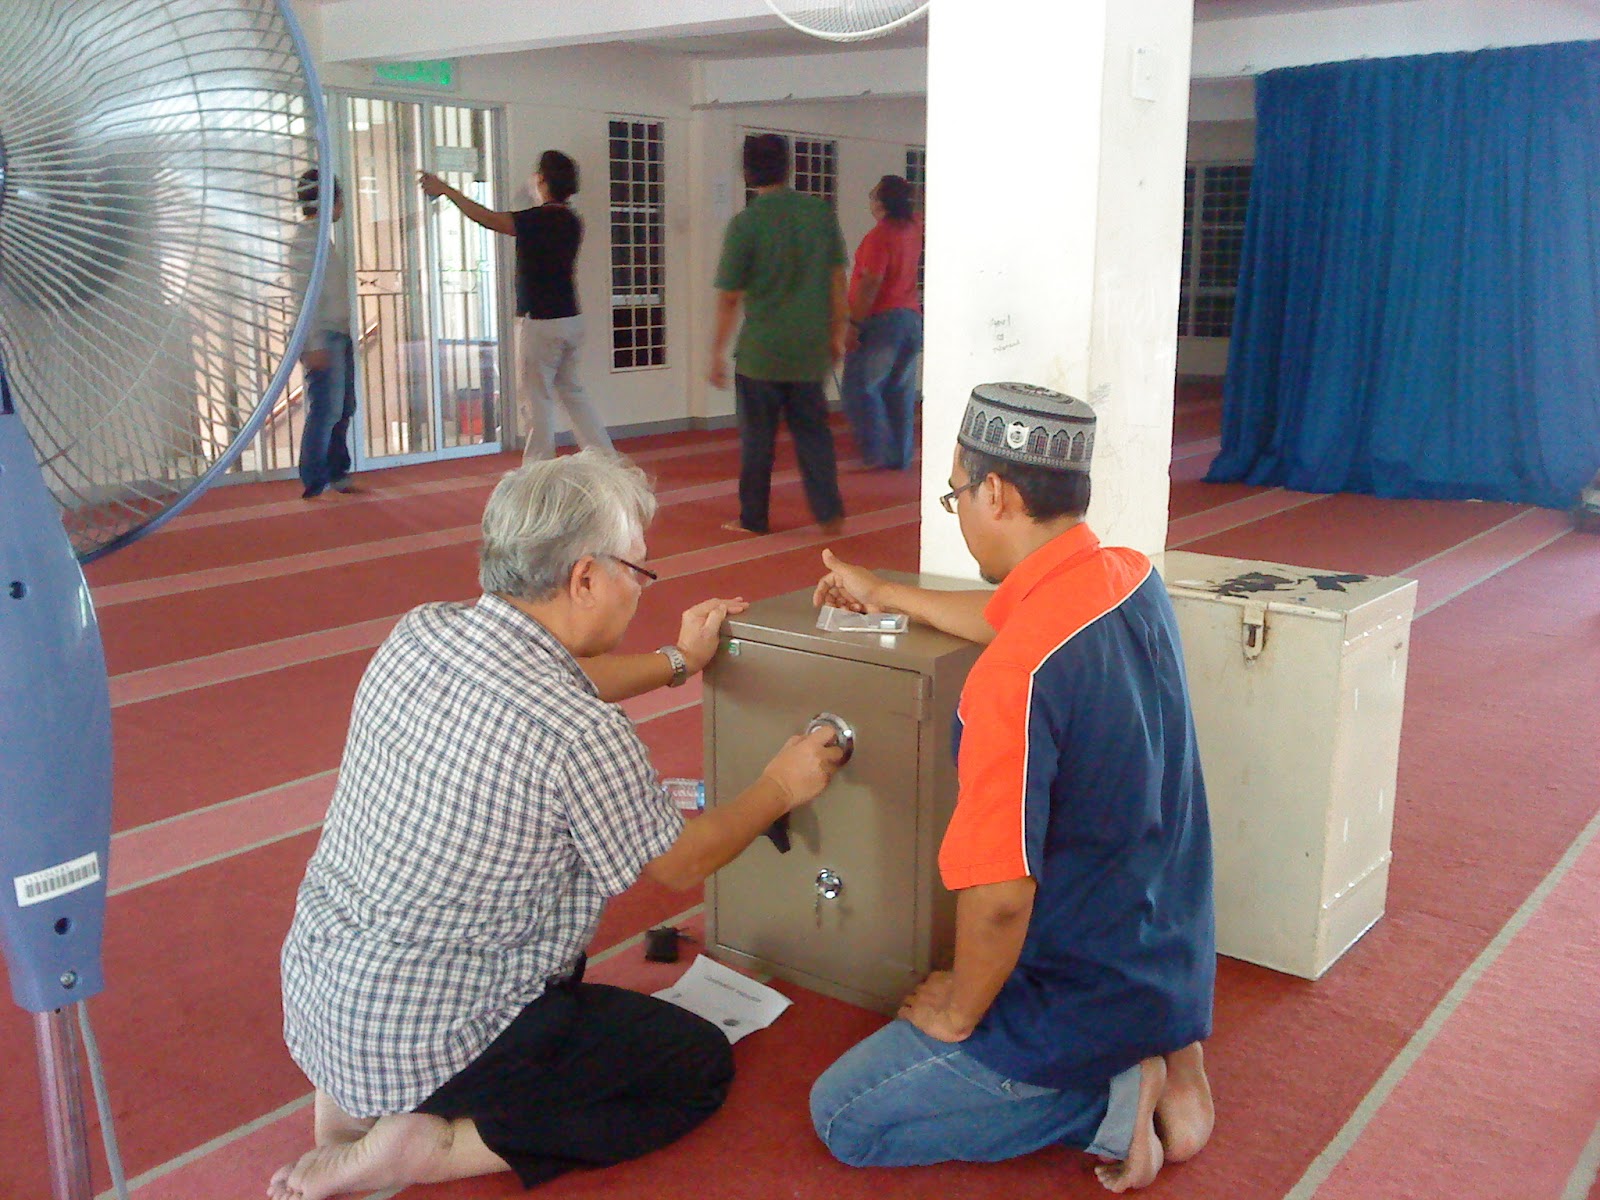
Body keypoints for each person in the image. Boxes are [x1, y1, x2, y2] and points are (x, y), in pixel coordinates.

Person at [268, 451, 845, 1200]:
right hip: (434, 1027)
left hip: (322, 990)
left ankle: (350, 1110)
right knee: (691, 1066)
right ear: (584, 578)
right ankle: (437, 1147)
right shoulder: (577, 733)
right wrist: (781, 783)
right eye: (637, 572)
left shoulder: (421, 633)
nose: (640, 589)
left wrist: (678, 661)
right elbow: (680, 863)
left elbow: (559, 673)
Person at [807, 383, 1216, 1193]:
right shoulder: (1127, 578)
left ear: (995, 491)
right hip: (1164, 946)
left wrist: (960, 1008)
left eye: (957, 493)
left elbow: (999, 896)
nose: (958, 509)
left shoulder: (1013, 682)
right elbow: (1010, 615)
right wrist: (885, 594)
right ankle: (1174, 1046)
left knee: (845, 1115)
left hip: (1079, 985)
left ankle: (1109, 1098)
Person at [420, 152, 614, 461]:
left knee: (536, 399)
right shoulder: (572, 221)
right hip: (571, 319)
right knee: (572, 391)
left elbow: (487, 218)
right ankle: (607, 459)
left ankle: (536, 468)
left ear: (542, 180)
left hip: (540, 322)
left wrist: (447, 190)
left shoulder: (537, 219)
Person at [709, 133, 848, 537]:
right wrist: (838, 330)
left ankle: (753, 519)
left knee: (757, 443)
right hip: (809, 351)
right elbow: (837, 278)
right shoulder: (819, 214)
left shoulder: (746, 224)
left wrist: (716, 353)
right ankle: (829, 514)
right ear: (788, 166)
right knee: (814, 437)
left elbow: (729, 298)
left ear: (747, 171)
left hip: (760, 355)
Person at [840, 175, 924, 471]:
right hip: (912, 319)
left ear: (882, 203)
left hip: (883, 321)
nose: (870, 201)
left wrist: (854, 323)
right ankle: (898, 457)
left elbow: (870, 282)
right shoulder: (913, 227)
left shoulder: (879, 237)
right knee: (900, 391)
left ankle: (875, 451)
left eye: (873, 196)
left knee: (861, 387)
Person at [293, 170, 361, 500]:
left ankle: (336, 470)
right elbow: (303, 298)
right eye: (339, 199)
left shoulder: (320, 241)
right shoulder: (306, 242)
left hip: (338, 334)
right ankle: (315, 477)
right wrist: (313, 344)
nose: (343, 206)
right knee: (326, 410)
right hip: (325, 337)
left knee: (343, 408)